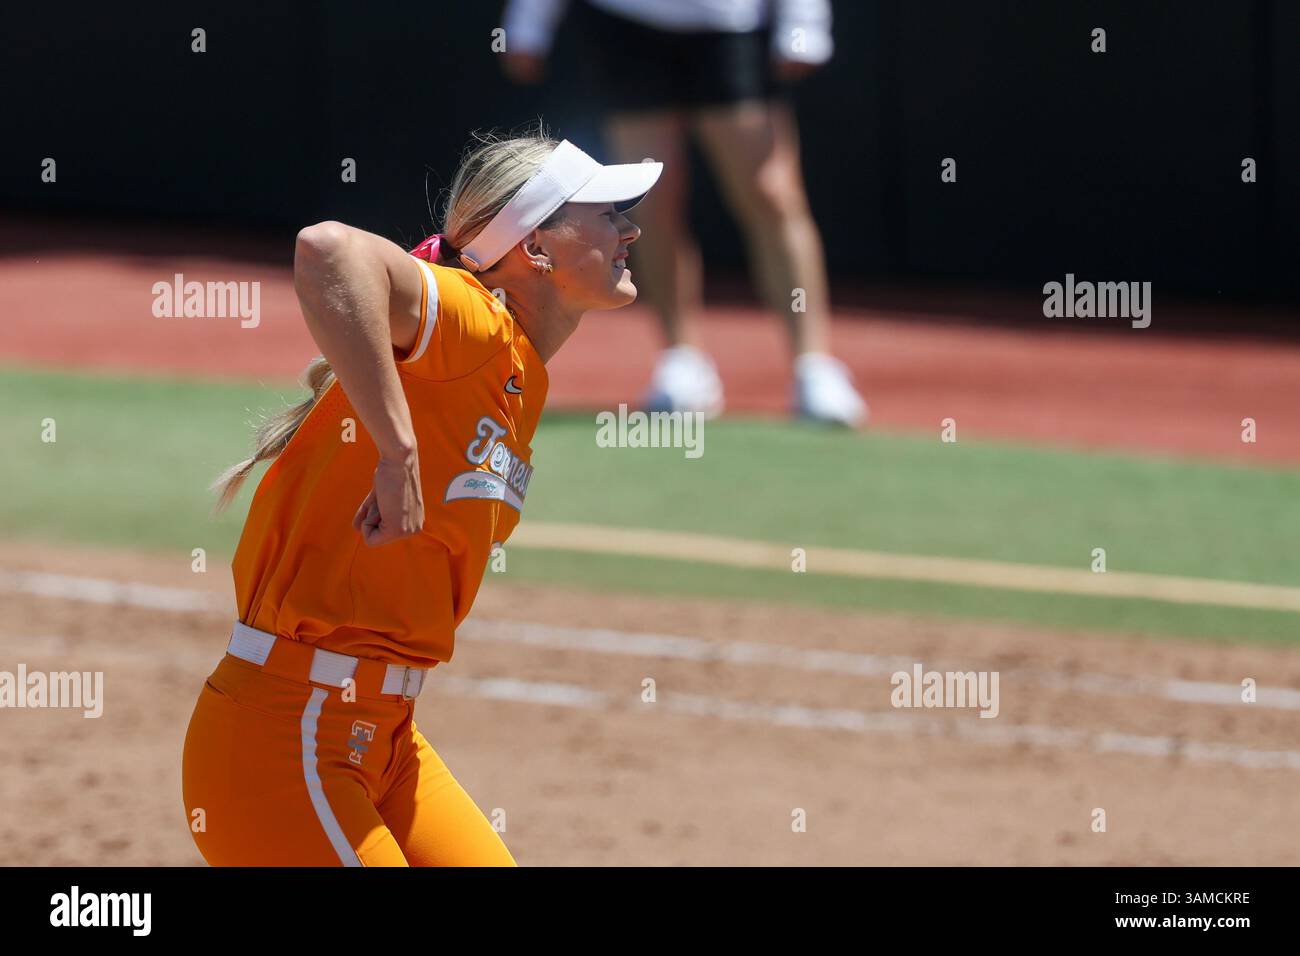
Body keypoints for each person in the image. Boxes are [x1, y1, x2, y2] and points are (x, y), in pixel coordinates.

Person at [181, 132, 661, 866]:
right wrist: (395, 447)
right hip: (286, 737)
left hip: (385, 737)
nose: (630, 228)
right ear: (535, 249)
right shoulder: (470, 323)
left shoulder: (518, 372)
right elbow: (326, 249)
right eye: (605, 213)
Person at [502, 0, 867, 425]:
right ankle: (682, 360)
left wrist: (806, 21)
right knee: (651, 199)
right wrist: (528, 22)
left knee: (773, 194)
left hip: (732, 27)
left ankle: (814, 366)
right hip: (628, 24)